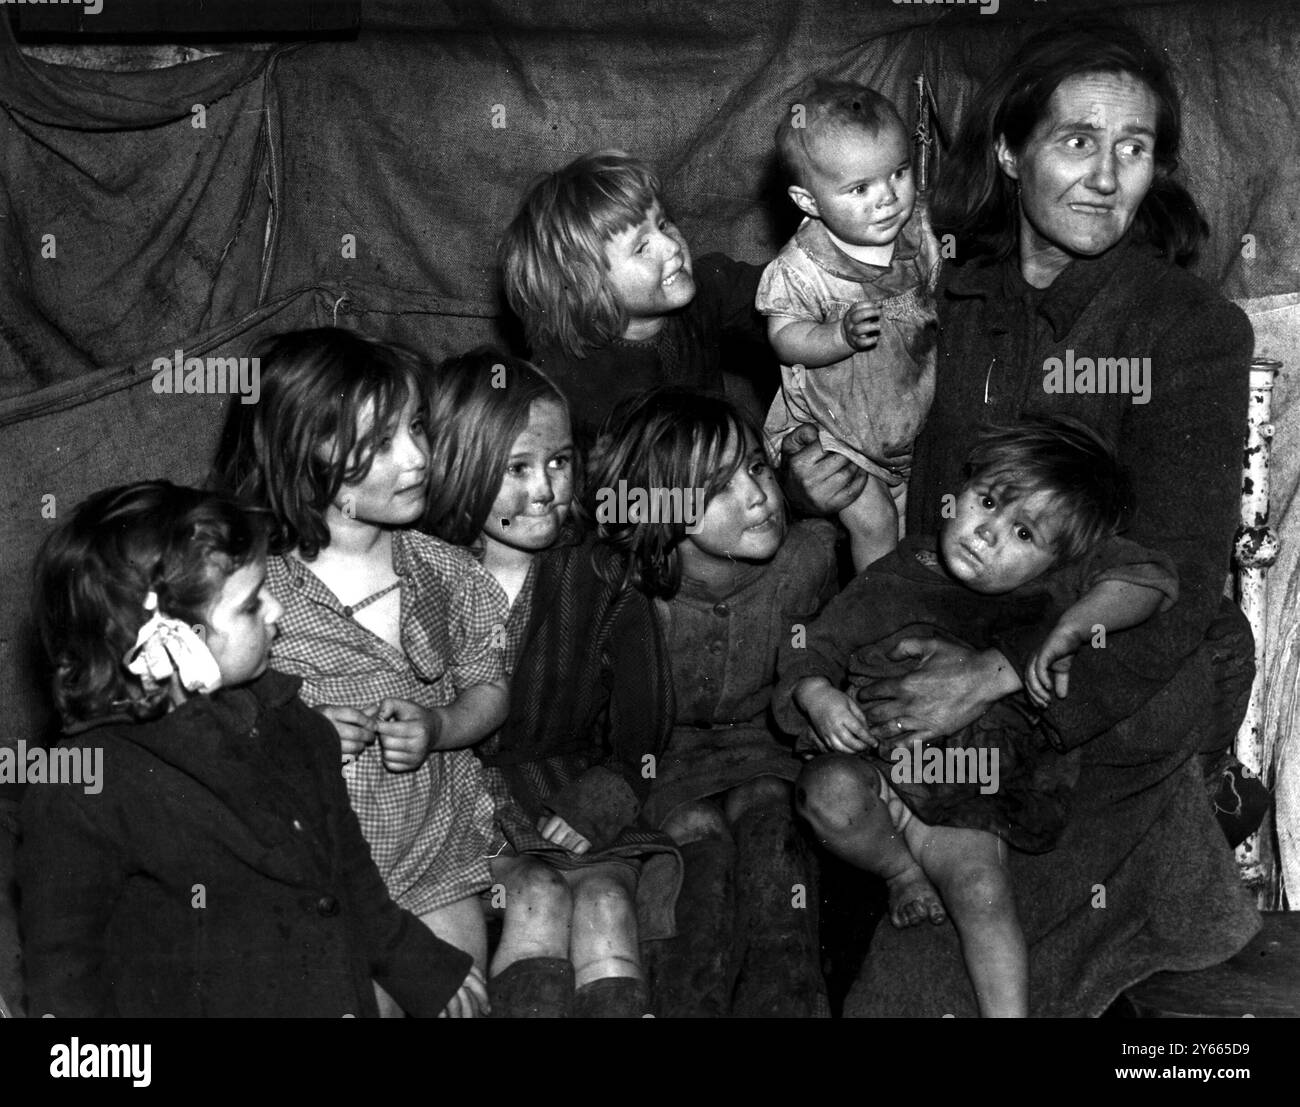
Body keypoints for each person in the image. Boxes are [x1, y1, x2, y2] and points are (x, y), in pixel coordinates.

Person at [783, 13, 1260, 1017]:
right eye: (1075, 140)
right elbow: (927, 522)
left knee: (939, 981)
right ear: (1008, 150)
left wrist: (996, 673)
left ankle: (1166, 840)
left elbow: (1173, 575)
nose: (1105, 176)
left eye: (1132, 148)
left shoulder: (1186, 331)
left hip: (1118, 666)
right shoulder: (958, 300)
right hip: (967, 640)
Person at [19, 482, 482, 1017]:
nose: (276, 609)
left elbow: (350, 876)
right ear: (171, 643)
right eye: (250, 603)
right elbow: (64, 973)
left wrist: (417, 963)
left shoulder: (293, 722)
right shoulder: (86, 787)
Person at [782, 417, 1178, 1017]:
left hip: (966, 786)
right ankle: (899, 872)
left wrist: (1073, 624)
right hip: (876, 765)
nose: (987, 534)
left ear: (1057, 557)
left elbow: (1148, 578)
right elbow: (814, 642)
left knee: (980, 894)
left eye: (1022, 532)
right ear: (963, 488)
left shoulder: (1053, 586)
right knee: (827, 795)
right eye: (987, 502)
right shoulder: (899, 575)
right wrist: (816, 693)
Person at [214, 329, 508, 1017]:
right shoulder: (250, 593)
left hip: (433, 854)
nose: (415, 457)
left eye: (416, 427)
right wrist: (297, 736)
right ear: (300, 448)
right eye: (379, 443)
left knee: (459, 1001)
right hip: (309, 868)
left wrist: (440, 725)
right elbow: (211, 727)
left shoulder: (450, 573)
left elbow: (490, 690)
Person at [424, 349, 681, 1018]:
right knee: (534, 895)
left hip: (575, 787)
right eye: (516, 468)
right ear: (456, 467)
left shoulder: (604, 580)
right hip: (462, 807)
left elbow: (644, 733)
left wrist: (607, 795)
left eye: (560, 462)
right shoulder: (424, 577)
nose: (544, 489)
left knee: (604, 901)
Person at [589, 387, 838, 1016]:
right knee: (694, 850)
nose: (756, 495)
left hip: (766, 749)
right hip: (660, 763)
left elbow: (830, 657)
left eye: (756, 467)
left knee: (771, 831)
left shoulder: (810, 558)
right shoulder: (629, 587)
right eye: (717, 488)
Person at [760, 77, 941, 570]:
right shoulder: (801, 268)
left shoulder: (918, 233)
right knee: (875, 523)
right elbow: (784, 339)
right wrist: (835, 336)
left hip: (901, 417)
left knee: (909, 526)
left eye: (899, 173)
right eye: (860, 188)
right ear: (808, 202)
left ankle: (901, 608)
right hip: (830, 424)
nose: (887, 198)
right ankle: (868, 617)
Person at [499, 149, 769, 446]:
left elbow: (785, 290)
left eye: (663, 224)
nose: (671, 246)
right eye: (642, 247)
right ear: (587, 285)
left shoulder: (708, 287)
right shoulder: (564, 381)